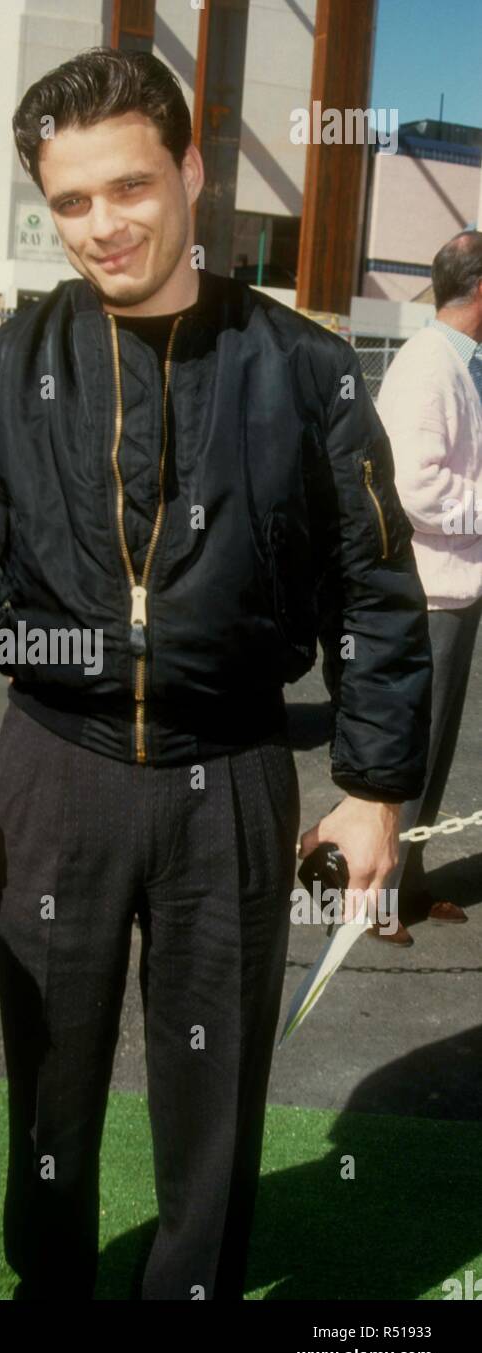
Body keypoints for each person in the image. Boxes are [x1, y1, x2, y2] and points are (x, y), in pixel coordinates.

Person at [0, 48, 432, 1300]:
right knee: (50, 1089)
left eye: (128, 187)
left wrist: (377, 784)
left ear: (188, 172)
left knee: (215, 1092)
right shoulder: (4, 369)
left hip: (231, 777)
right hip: (55, 780)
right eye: (71, 202)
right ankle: (52, 1289)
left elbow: (377, 593)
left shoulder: (305, 369)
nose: (103, 225)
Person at [375, 230, 482, 940]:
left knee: (433, 748)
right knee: (406, 749)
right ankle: (377, 896)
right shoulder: (428, 367)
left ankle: (405, 884)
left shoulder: (454, 362)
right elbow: (416, 488)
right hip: (428, 593)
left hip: (453, 587)